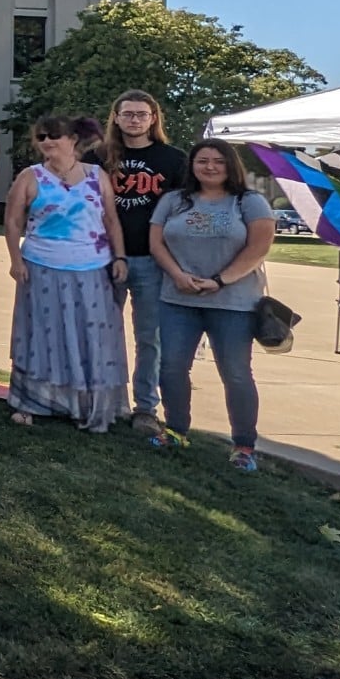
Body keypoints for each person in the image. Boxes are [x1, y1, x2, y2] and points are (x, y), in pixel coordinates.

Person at [147, 137, 276, 472]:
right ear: (192, 165)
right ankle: (175, 430)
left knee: (235, 373)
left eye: (218, 161)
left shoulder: (250, 202)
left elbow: (258, 249)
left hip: (233, 302)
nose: (210, 167)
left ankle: (244, 445)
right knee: (172, 367)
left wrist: (220, 280)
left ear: (230, 165)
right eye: (202, 160)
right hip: (178, 298)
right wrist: (177, 275)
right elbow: (156, 242)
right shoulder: (174, 200)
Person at [4, 113, 131, 430]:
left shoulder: (96, 175)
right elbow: (12, 222)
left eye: (54, 135)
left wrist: (120, 257)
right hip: (41, 267)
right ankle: (31, 402)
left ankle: (83, 405)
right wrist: (15, 260)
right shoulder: (30, 177)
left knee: (90, 337)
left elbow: (111, 220)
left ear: (73, 140)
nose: (46, 142)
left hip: (92, 268)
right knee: (42, 336)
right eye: (41, 136)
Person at [105, 90, 188, 437]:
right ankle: (106, 400)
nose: (135, 120)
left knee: (149, 338)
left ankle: (145, 408)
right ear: (117, 117)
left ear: (154, 118)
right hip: (104, 257)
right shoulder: (99, 157)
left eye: (142, 114)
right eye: (128, 114)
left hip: (153, 261)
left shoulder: (174, 160)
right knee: (103, 334)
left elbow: (186, 210)